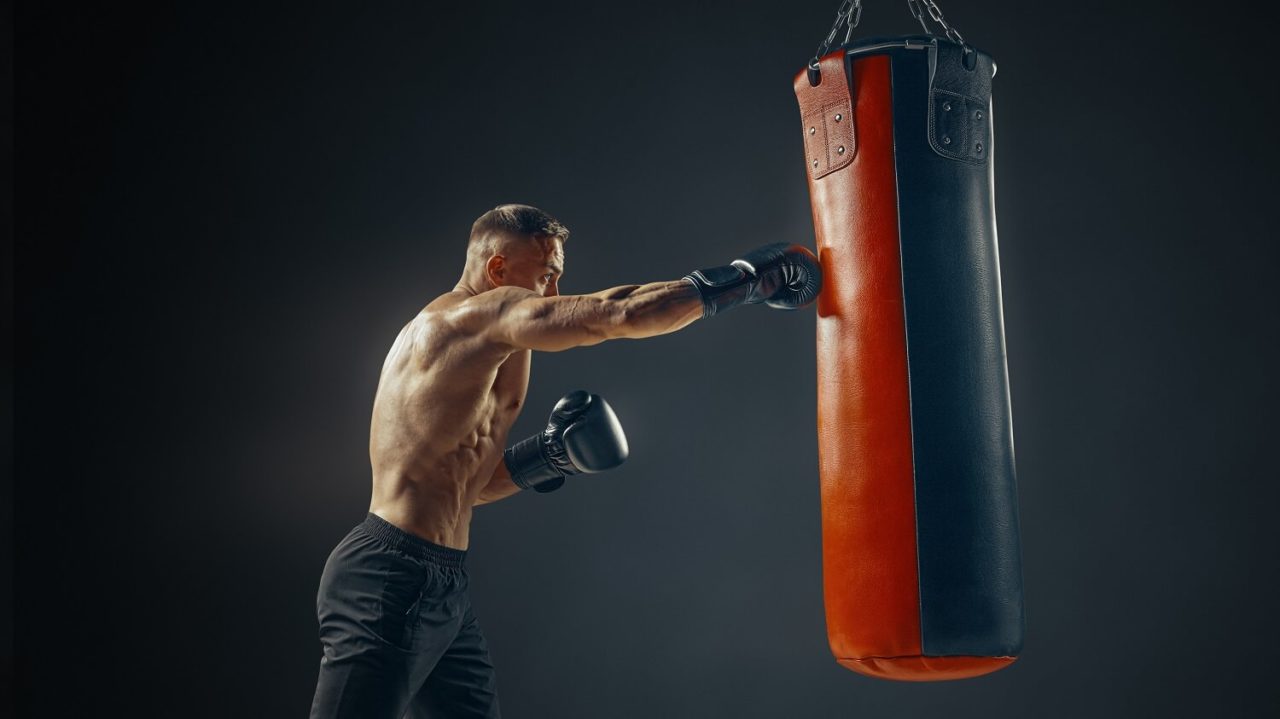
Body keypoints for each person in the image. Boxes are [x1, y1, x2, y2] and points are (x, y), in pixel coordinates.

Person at [309, 204, 822, 718]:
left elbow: (469, 487)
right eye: (547, 275)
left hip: (440, 583)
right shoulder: (470, 317)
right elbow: (617, 313)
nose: (554, 293)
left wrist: (547, 458)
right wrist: (745, 282)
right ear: (498, 270)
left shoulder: (486, 346)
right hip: (392, 576)